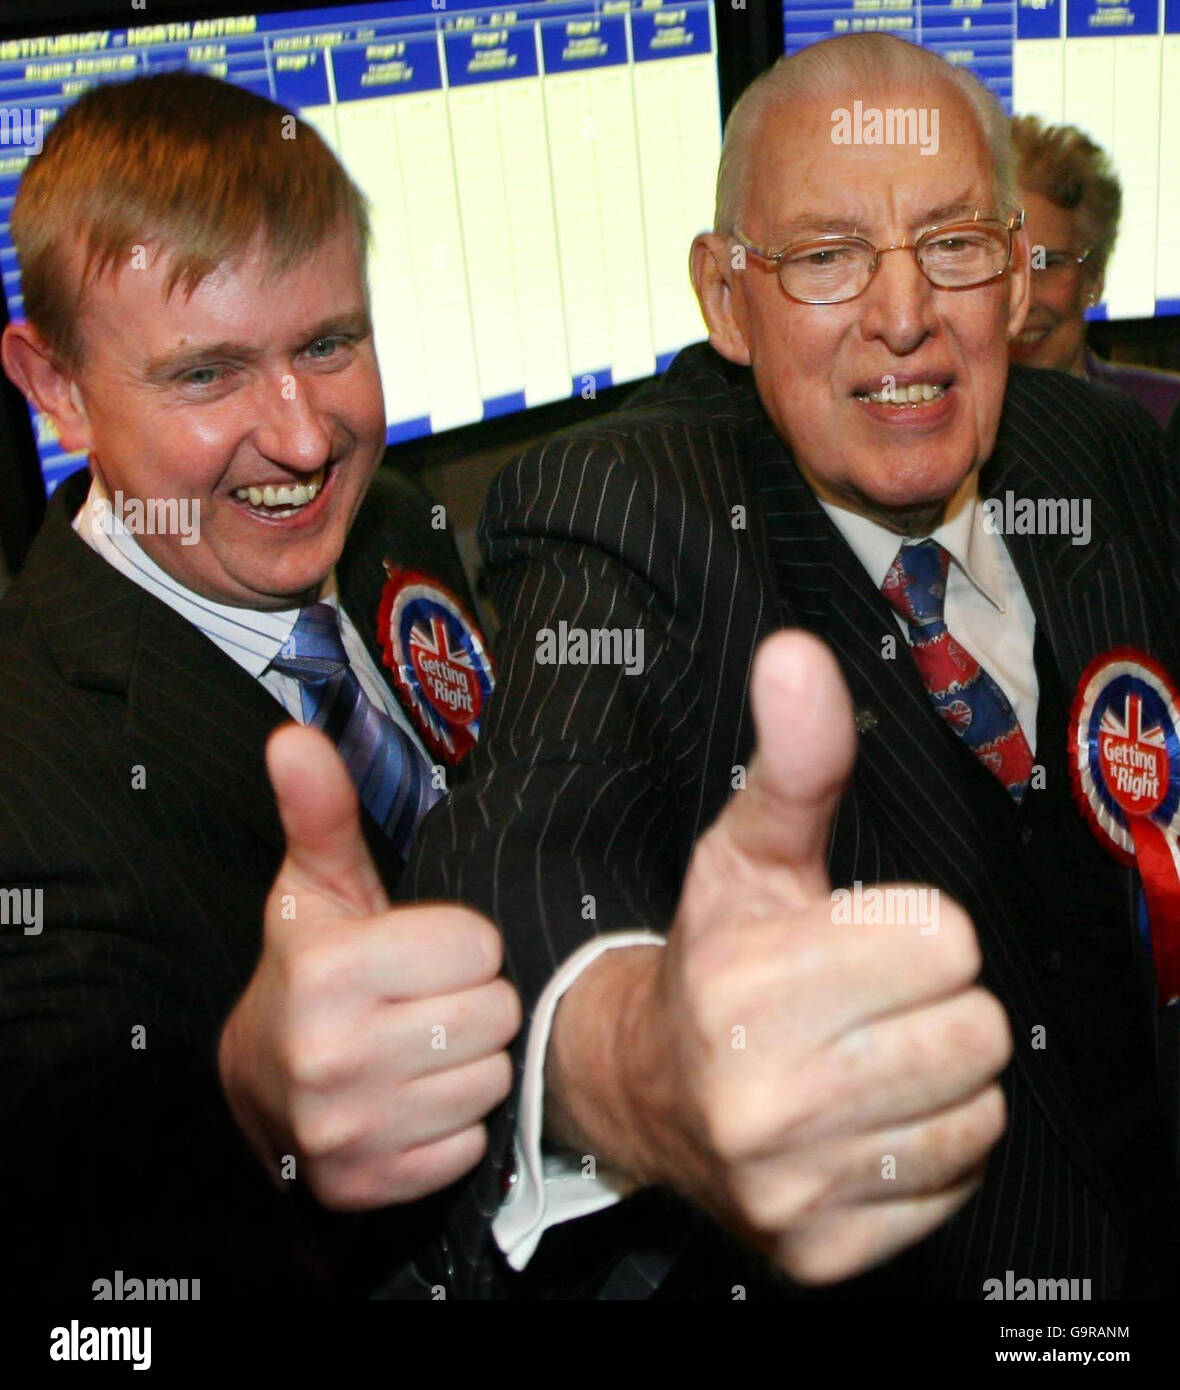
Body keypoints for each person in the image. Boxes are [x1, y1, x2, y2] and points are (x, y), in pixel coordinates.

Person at [405, 34, 1180, 1298]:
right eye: (824, 257)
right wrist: (638, 1064)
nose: (901, 314)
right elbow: (534, 848)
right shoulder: (632, 509)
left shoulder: (1102, 453)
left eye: (953, 244)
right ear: (725, 297)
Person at [0, 71, 519, 1298]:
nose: (302, 438)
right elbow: (69, 1170)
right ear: (55, 387)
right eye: (206, 375)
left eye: (329, 344)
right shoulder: (27, 771)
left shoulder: (390, 523)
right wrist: (251, 1110)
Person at [1009, 114, 1180, 432]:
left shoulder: (1165, 418)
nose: (1024, 300)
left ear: (1093, 278)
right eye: (1002, 267)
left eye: (1048, 263)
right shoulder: (930, 440)